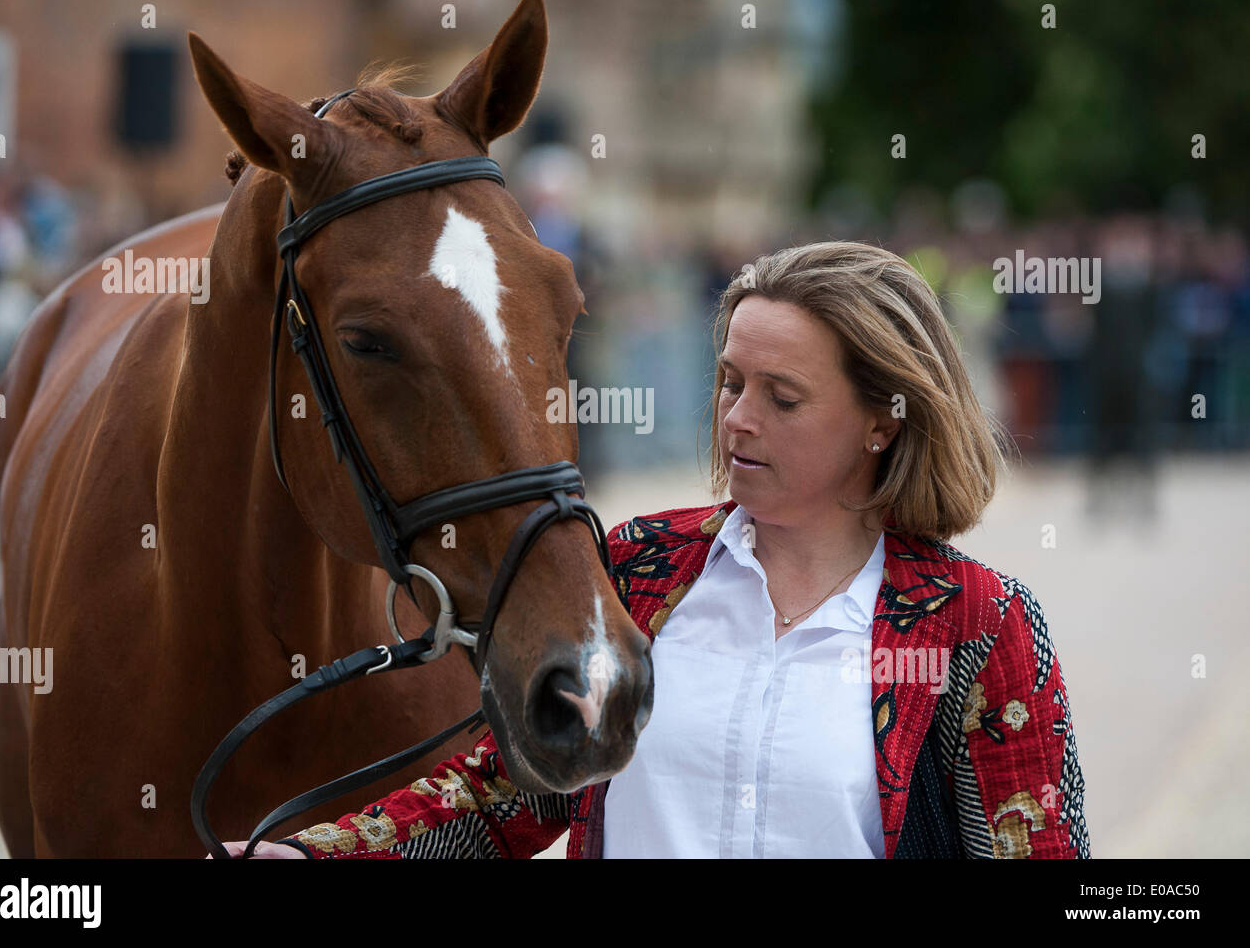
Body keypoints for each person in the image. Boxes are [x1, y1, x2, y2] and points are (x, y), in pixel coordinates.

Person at [219, 241, 1090, 859]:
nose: (738, 417)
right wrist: (316, 856)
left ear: (880, 421)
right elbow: (502, 797)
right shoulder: (638, 568)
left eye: (782, 397)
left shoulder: (979, 625)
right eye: (729, 381)